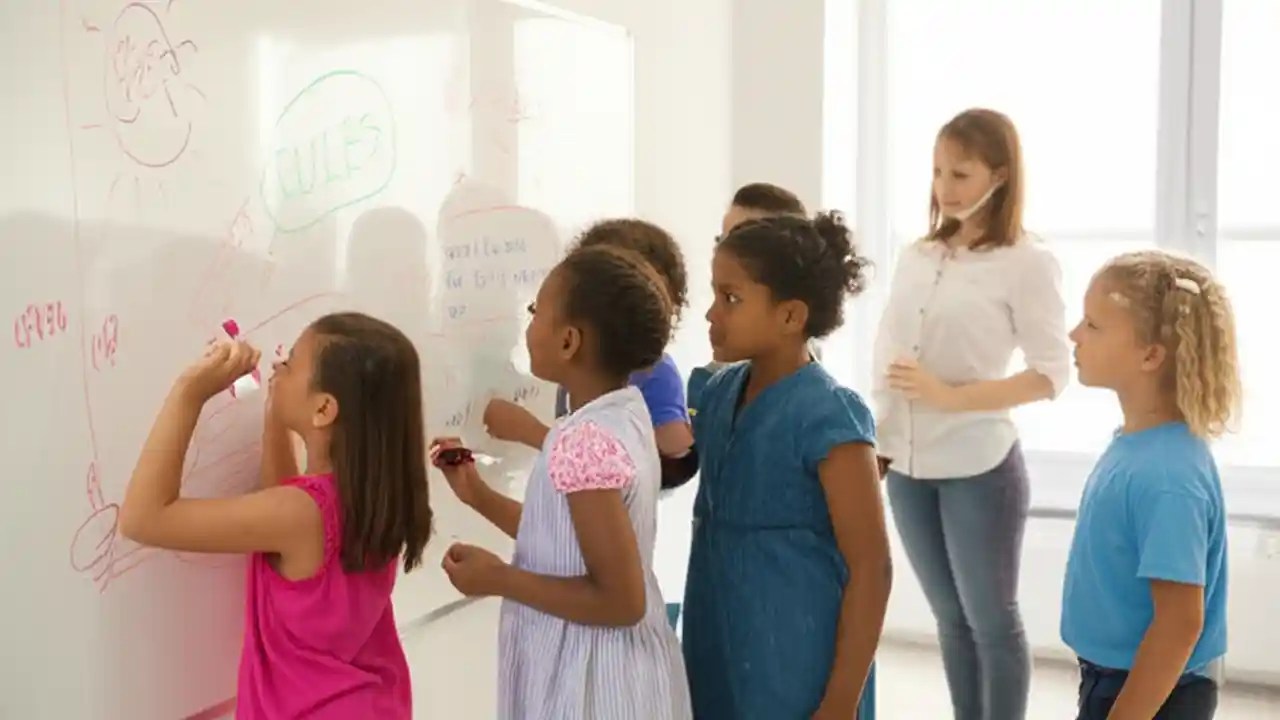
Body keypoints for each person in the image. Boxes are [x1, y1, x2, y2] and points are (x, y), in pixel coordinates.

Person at [120, 312, 434, 719]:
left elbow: (143, 518)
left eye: (290, 362)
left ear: (323, 408)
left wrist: (188, 393)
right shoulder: (369, 496)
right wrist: (276, 413)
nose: (277, 363)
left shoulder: (301, 514)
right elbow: (284, 504)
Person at [431, 244, 691, 719]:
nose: (528, 325)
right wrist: (476, 494)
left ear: (569, 341)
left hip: (592, 681)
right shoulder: (623, 413)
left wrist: (498, 578)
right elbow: (565, 539)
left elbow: (621, 601)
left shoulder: (582, 441)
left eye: (535, 311)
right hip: (614, 669)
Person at [872, 108, 1070, 720]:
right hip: (906, 466)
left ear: (1000, 176)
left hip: (978, 464)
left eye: (960, 174)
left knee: (992, 622)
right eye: (937, 172)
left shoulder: (1026, 261)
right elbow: (886, 353)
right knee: (949, 620)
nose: (944, 188)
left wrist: (950, 396)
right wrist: (878, 442)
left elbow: (1051, 373)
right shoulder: (917, 255)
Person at [681, 212, 891, 719]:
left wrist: (840, 702)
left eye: (731, 298)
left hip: (797, 665)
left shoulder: (829, 413)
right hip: (715, 652)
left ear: (791, 316)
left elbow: (872, 567)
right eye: (714, 295)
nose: (711, 313)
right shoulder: (718, 393)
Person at [1062, 250, 1238, 719]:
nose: (1074, 335)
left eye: (1092, 325)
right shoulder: (1139, 445)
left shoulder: (1167, 477)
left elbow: (1179, 624)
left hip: (1153, 690)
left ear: (1151, 355)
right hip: (1115, 676)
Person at [483, 218, 694, 486]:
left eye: (535, 311)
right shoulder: (581, 378)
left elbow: (674, 458)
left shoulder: (654, 375)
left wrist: (534, 433)